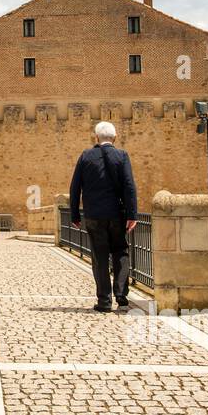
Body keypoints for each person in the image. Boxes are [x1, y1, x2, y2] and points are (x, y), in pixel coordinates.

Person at [69, 121, 138, 312]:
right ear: (115, 138)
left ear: (96, 138)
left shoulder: (86, 156)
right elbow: (129, 186)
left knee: (99, 257)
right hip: (117, 214)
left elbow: (75, 188)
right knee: (120, 251)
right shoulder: (122, 156)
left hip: (94, 215)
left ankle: (104, 301)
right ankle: (121, 293)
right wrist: (132, 214)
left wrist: (75, 214)